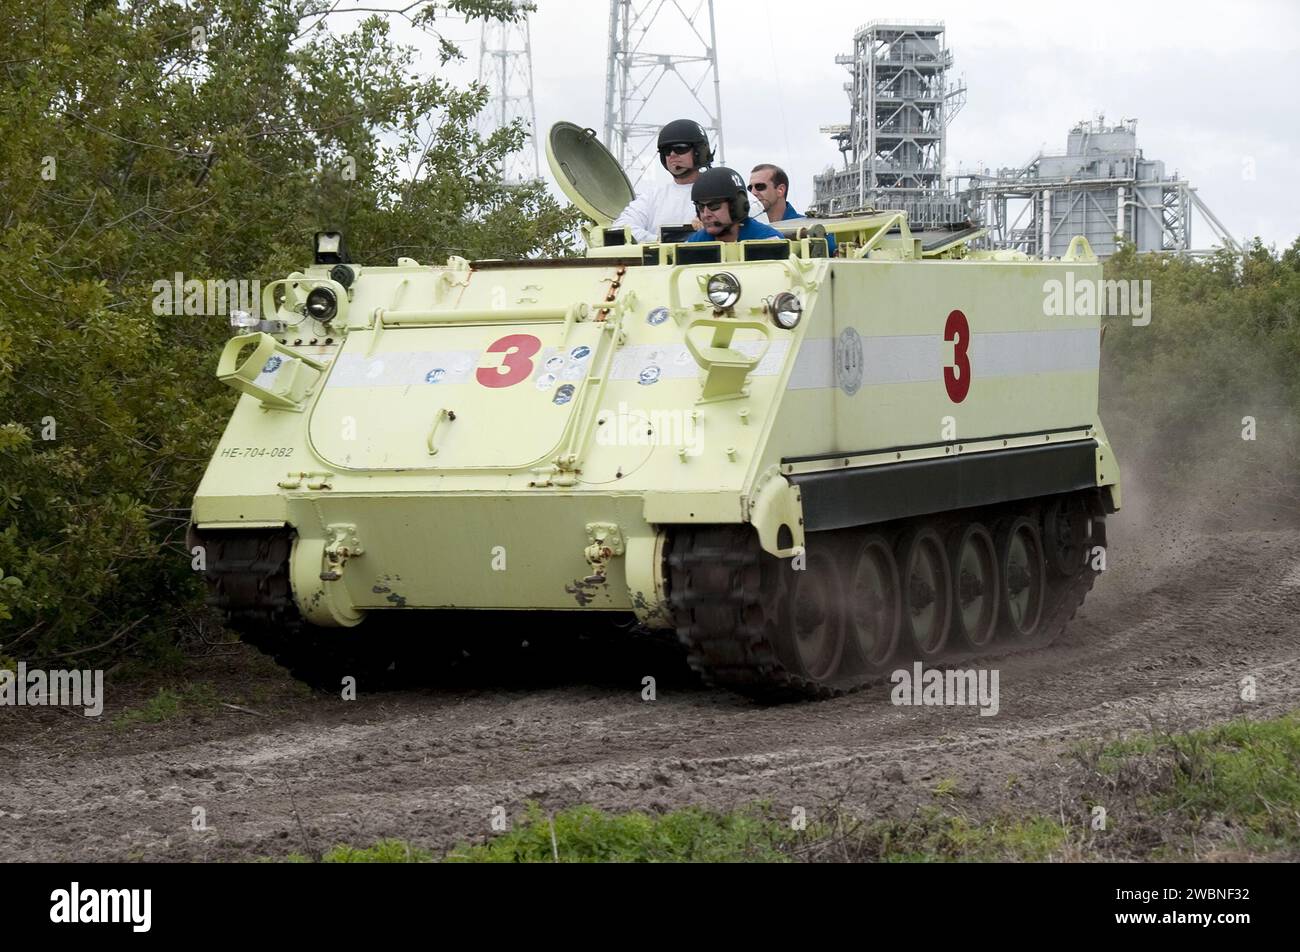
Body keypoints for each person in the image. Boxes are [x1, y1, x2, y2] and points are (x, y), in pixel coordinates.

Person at [611, 119, 712, 243]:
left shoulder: (721, 190)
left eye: (680, 148)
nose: (672, 155)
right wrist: (660, 241)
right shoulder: (652, 197)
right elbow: (621, 227)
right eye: (666, 150)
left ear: (699, 151)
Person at [749, 163, 837, 255]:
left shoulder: (816, 231)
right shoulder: (748, 229)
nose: (753, 192)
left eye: (760, 187)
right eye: (750, 188)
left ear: (780, 190)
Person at [685, 167, 785, 243]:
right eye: (701, 207)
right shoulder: (692, 245)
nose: (706, 214)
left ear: (737, 206)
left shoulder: (769, 242)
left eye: (714, 206)